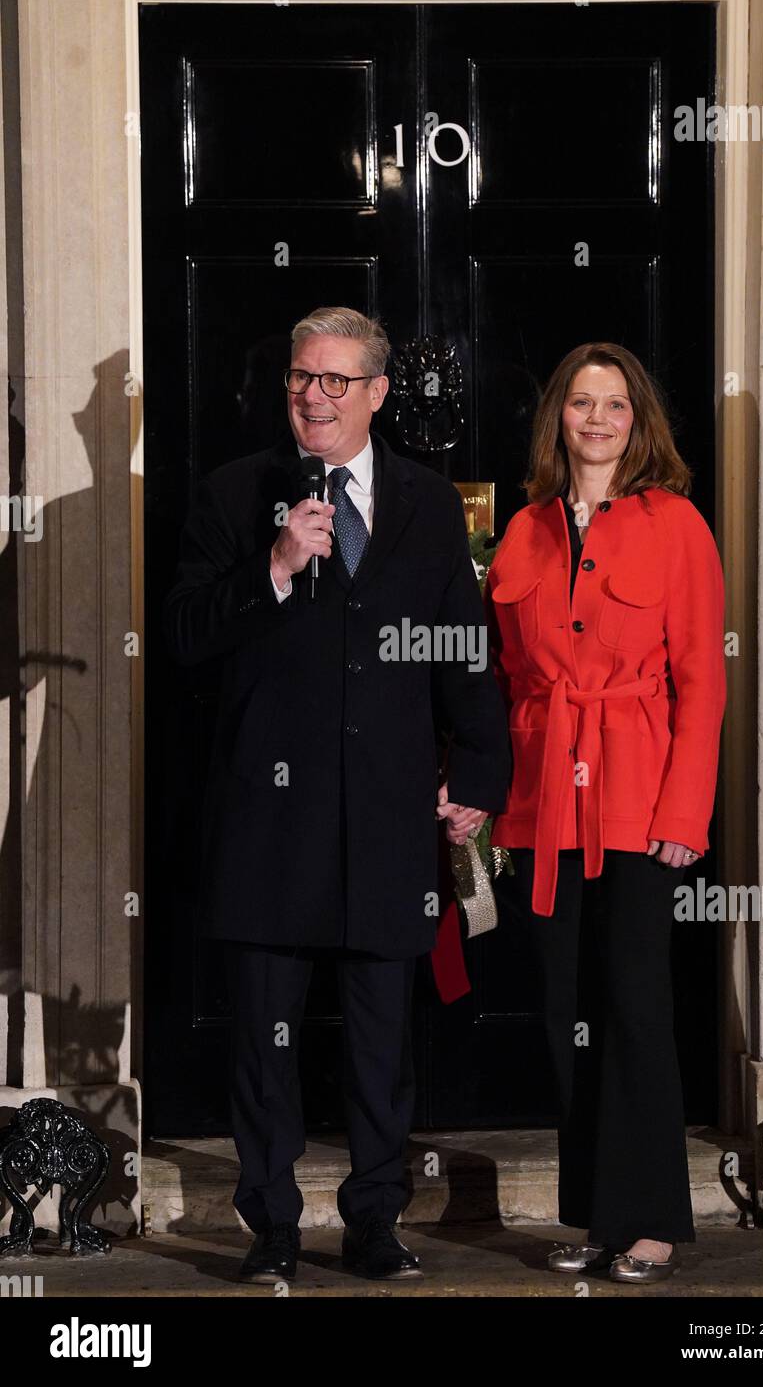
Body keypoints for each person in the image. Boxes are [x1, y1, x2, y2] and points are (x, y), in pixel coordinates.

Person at [164, 306, 510, 1283]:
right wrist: (273, 568)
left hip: (388, 818)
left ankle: (373, 1222)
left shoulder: (429, 505)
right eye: (298, 379)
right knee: (263, 1042)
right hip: (268, 821)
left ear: (375, 391)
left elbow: (459, 646)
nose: (312, 396)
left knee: (377, 1042)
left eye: (332, 381)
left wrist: (477, 772)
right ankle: (270, 1226)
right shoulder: (236, 495)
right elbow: (186, 635)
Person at [485, 342, 726, 1283]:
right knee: (565, 1013)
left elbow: (701, 681)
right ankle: (594, 1215)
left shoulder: (678, 527)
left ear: (639, 421)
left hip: (636, 804)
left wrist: (685, 811)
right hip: (545, 807)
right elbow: (510, 683)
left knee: (633, 1009)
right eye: (580, 403)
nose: (596, 419)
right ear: (558, 418)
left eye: (614, 405)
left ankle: (654, 1217)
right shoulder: (525, 530)